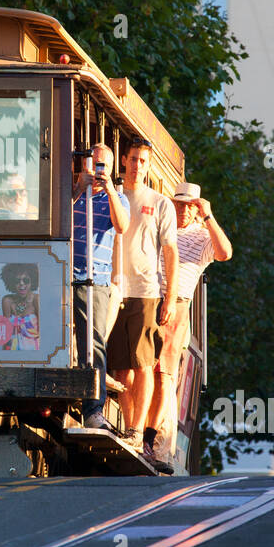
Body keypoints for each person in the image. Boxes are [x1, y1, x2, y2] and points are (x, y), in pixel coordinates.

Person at [148, 182, 233, 473]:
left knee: (165, 376)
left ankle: (161, 449)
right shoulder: (163, 227)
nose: (183, 210)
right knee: (143, 369)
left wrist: (208, 216)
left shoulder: (201, 235)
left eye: (189, 205)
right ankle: (144, 439)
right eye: (179, 204)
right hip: (149, 300)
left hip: (178, 305)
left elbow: (225, 253)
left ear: (197, 207)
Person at [106, 136, 177, 454]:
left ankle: (136, 430)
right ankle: (130, 428)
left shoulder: (160, 203)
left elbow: (170, 250)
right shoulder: (112, 194)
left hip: (147, 291)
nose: (137, 165)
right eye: (133, 159)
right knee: (121, 369)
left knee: (144, 363)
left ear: (149, 165)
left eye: (143, 161)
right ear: (123, 160)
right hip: (114, 288)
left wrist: (170, 295)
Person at [72, 143, 129, 430]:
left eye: (102, 166)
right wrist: (77, 189)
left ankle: (93, 409)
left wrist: (108, 191)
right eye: (92, 164)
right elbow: (54, 217)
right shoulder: (72, 192)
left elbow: (122, 226)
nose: (96, 171)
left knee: (93, 345)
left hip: (95, 279)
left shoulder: (116, 198)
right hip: (63, 274)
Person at [0, 263, 40, 350]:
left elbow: (44, 332)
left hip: (33, 351)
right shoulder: (7, 301)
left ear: (32, 281)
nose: (21, 284)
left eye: (26, 280)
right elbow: (6, 334)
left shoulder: (36, 299)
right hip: (12, 351)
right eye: (17, 281)